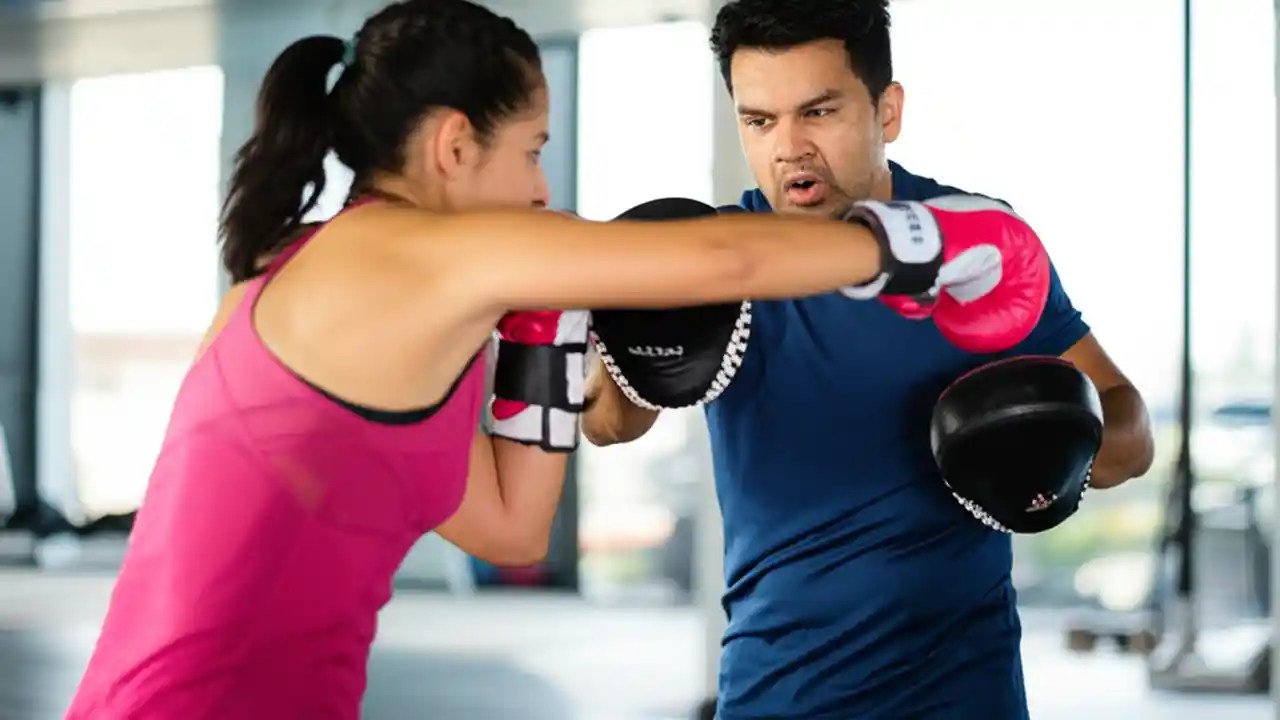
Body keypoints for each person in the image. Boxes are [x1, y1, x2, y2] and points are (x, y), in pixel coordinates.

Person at [62, 1, 1045, 717]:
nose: (542, 189)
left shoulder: (380, 313)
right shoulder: (400, 249)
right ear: (454, 147)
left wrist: (547, 325)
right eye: (531, 150)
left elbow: (510, 527)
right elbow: (727, 259)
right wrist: (935, 243)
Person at [582, 2, 1156, 718]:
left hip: (967, 693)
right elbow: (607, 425)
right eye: (759, 121)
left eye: (818, 112)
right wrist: (645, 337)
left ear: (888, 111)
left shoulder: (969, 243)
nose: (788, 148)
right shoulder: (717, 259)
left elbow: (1130, 434)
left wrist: (1052, 455)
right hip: (779, 691)